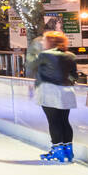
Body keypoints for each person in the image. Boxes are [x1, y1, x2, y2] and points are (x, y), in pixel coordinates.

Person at [33, 31, 78, 162]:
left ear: (51, 42)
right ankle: (68, 151)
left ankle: (57, 151)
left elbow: (33, 70)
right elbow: (73, 75)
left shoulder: (44, 55)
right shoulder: (71, 56)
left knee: (54, 121)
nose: (42, 42)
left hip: (49, 90)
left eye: (44, 40)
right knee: (64, 121)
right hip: (66, 90)